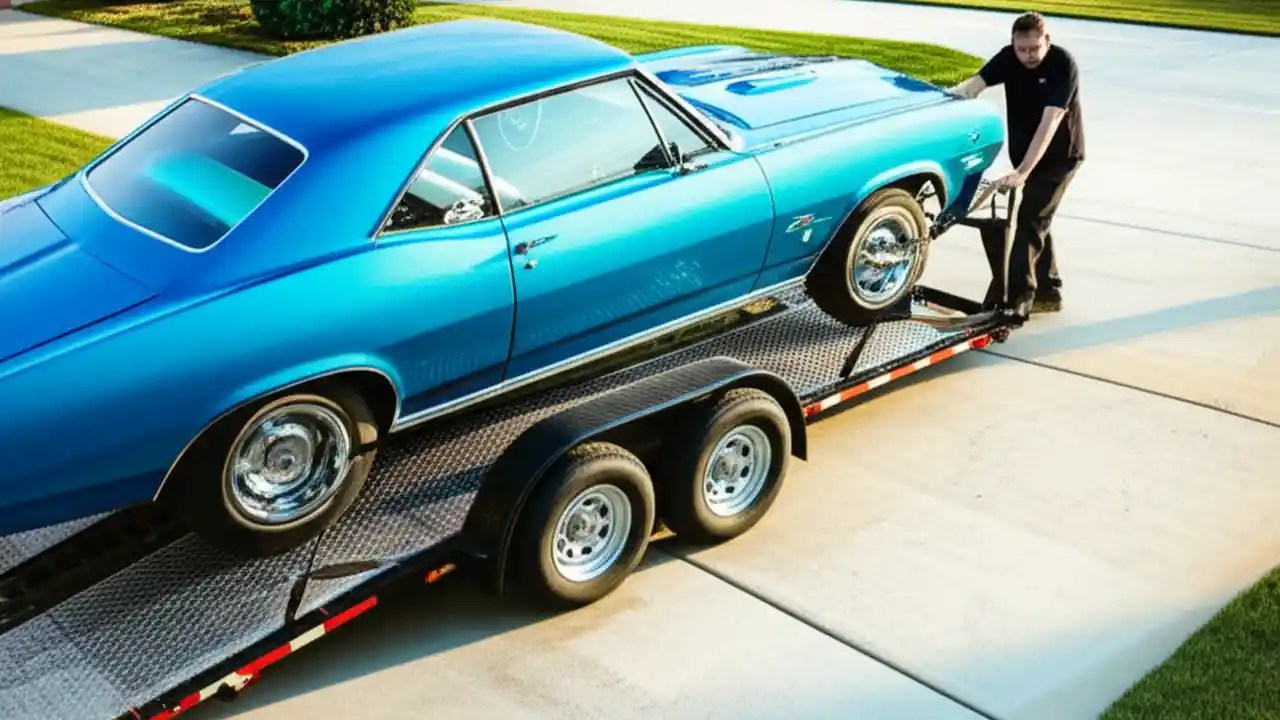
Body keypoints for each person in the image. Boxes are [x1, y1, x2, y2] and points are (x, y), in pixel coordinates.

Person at [949, 11, 1085, 317]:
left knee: (1030, 222)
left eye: (1034, 48)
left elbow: (1051, 121)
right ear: (1013, 44)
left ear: (1046, 41)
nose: (1028, 56)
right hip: (1026, 155)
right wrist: (945, 101)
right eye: (1022, 49)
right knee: (1039, 218)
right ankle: (1049, 292)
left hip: (1060, 158)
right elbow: (973, 86)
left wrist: (1023, 171)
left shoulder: (1063, 65)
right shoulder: (1009, 58)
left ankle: (1018, 302)